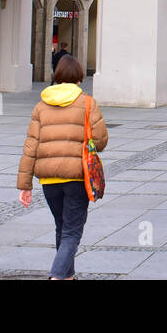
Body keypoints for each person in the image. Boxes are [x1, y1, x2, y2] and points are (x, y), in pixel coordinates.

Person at [17, 54, 108, 280]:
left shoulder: (41, 106)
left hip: (49, 179)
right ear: (78, 76)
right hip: (77, 176)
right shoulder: (87, 103)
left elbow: (31, 145)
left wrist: (24, 185)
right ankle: (56, 276)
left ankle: (68, 276)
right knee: (72, 232)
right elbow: (101, 141)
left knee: (62, 227)